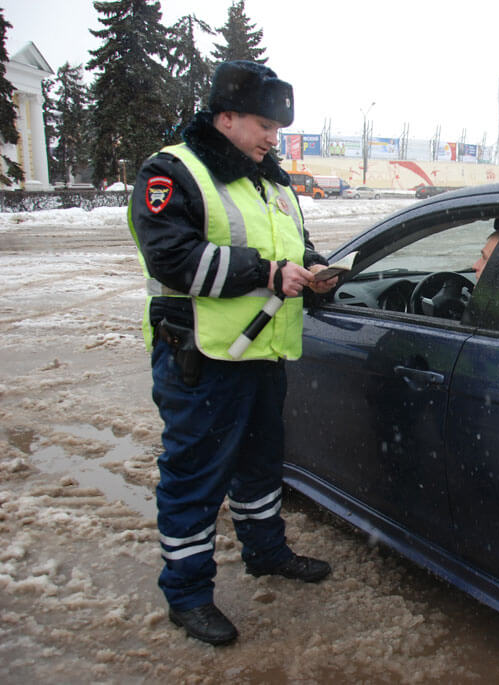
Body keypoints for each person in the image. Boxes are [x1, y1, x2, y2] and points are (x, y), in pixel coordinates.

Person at [128, 60, 337, 646]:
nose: (274, 137)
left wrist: (313, 267)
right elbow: (172, 258)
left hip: (263, 352)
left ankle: (266, 552)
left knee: (261, 464)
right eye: (264, 125)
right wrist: (268, 273)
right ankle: (188, 595)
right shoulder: (173, 171)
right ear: (225, 118)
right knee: (195, 476)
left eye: (277, 127)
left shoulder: (271, 179)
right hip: (201, 354)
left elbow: (293, 243)